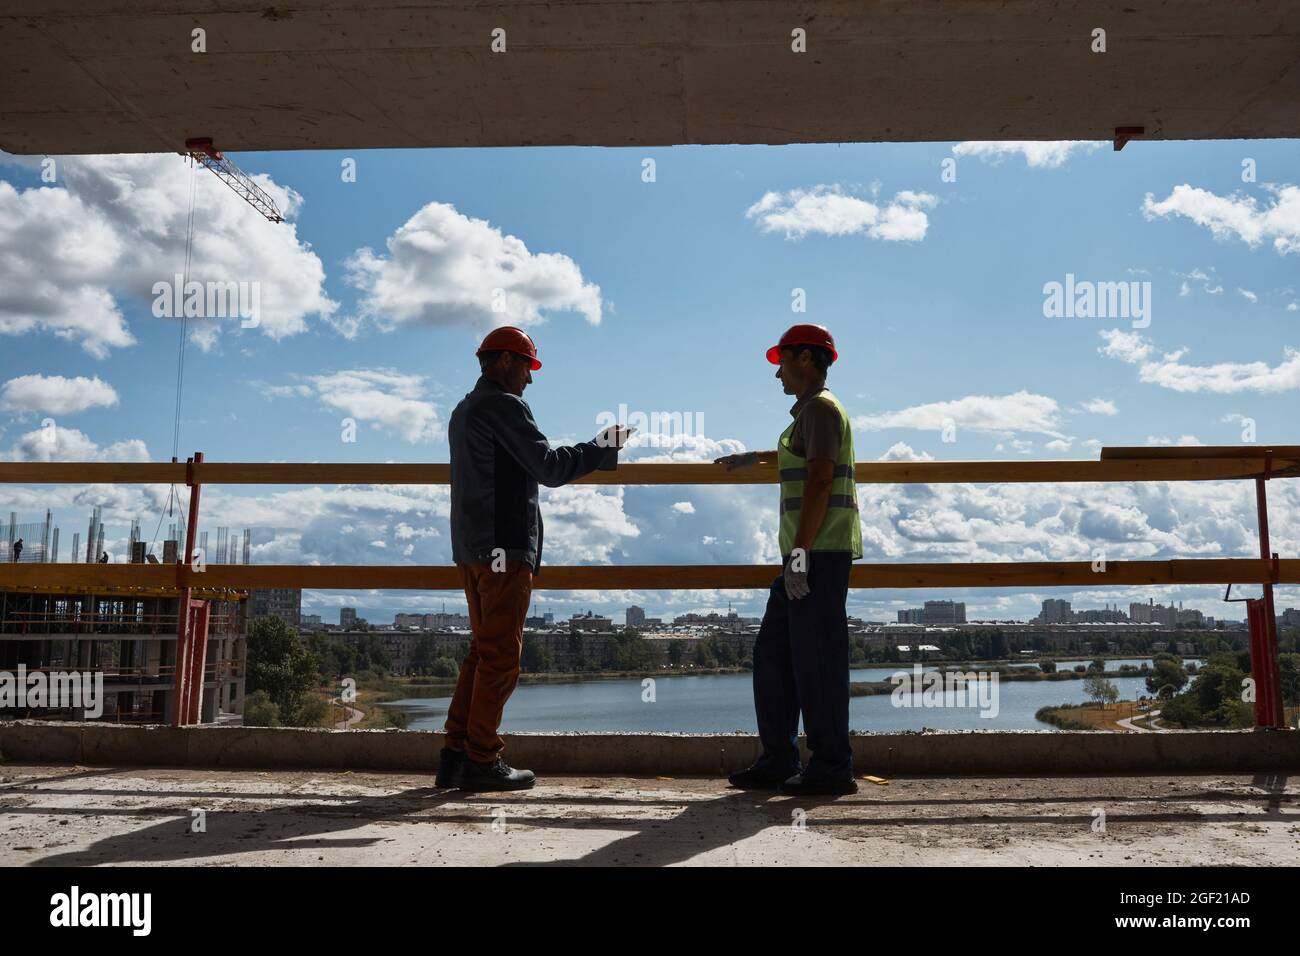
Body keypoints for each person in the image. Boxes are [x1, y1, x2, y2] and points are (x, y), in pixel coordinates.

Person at [438, 326, 634, 791]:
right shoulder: (504, 405)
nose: (531, 378)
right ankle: (482, 759)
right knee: (501, 657)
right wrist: (602, 447)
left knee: (481, 652)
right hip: (503, 549)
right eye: (528, 366)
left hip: (472, 549)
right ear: (506, 362)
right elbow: (548, 467)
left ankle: (455, 753)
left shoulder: (464, 410)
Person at [716, 324, 862, 795]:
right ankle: (778, 758)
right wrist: (755, 458)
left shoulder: (821, 409)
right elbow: (803, 458)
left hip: (816, 555)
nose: (776, 371)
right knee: (775, 656)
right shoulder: (809, 415)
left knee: (817, 660)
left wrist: (800, 552)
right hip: (804, 556)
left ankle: (832, 767)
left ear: (804, 358)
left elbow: (821, 479)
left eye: (782, 360)